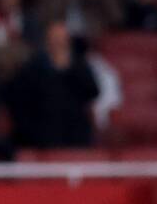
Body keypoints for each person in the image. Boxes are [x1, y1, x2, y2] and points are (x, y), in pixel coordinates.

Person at [7, 20, 100, 149]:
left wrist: (69, 67)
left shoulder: (79, 65)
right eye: (55, 39)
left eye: (62, 39)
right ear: (47, 41)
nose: (59, 43)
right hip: (42, 136)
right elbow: (20, 103)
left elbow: (93, 91)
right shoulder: (33, 67)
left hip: (75, 134)